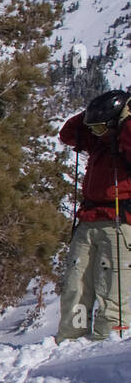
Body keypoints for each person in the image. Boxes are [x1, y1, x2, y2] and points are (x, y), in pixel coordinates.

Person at [56, 89, 131, 342]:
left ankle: (110, 341)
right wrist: (91, 113)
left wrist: (125, 122)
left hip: (119, 220)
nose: (95, 133)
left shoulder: (125, 137)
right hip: (89, 218)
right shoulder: (98, 140)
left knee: (114, 287)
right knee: (76, 283)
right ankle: (71, 336)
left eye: (100, 128)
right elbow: (67, 134)